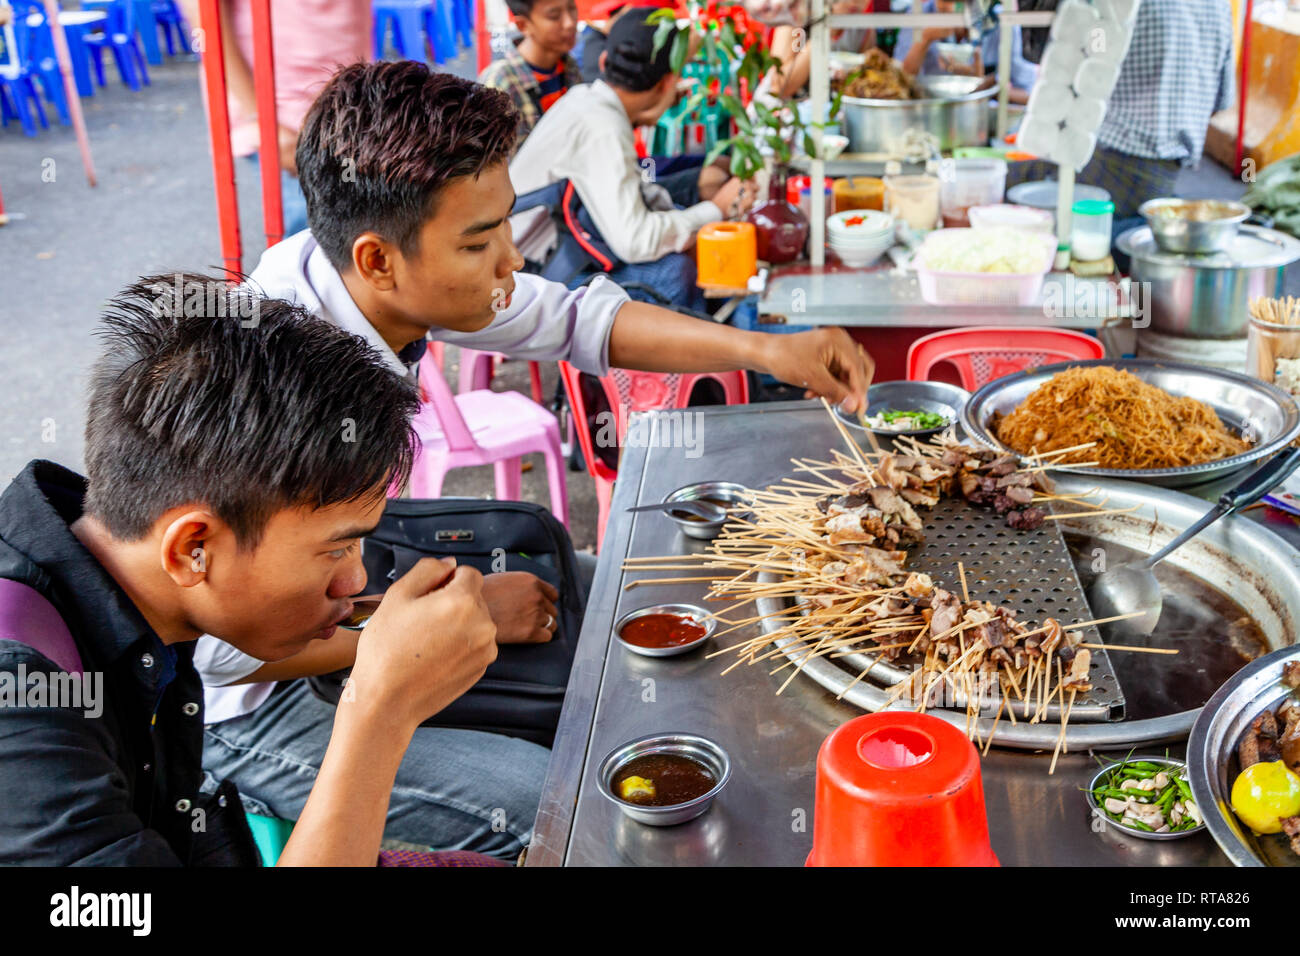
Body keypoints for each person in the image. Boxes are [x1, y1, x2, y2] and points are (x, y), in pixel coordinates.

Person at [194, 59, 874, 855]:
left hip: (349, 583)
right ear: (380, 260)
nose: (511, 262)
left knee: (645, 593)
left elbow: (580, 323)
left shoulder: (369, 266)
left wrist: (769, 349)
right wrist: (473, 611)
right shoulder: (282, 388)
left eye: (506, 226)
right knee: (575, 806)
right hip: (257, 702)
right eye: (481, 243)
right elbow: (225, 656)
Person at [0, 277, 510, 865]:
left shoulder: (136, 595)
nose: (355, 583)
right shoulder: (24, 715)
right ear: (192, 547)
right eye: (335, 550)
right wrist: (380, 709)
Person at [509, 8, 752, 311]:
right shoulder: (603, 128)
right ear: (667, 83)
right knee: (673, 274)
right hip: (529, 276)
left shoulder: (588, 98)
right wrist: (716, 209)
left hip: (562, 244)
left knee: (681, 224)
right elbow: (635, 240)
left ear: (603, 62)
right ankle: (692, 353)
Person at [1006, 0, 1233, 225]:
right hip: (1168, 168)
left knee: (1011, 191)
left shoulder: (1118, 5)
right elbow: (1221, 101)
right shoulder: (1220, 7)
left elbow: (1091, 59)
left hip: (1110, 156)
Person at [178, 0, 370, 236]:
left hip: (349, 112)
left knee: (353, 219)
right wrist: (261, 120)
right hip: (285, 119)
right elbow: (203, 16)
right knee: (318, 236)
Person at [477, 0, 583, 146]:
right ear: (523, 25)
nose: (569, 23)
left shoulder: (570, 66)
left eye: (572, 8)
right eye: (554, 16)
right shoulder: (499, 84)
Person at [893, 1, 1038, 104]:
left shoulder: (1000, 21)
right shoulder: (918, 14)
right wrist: (924, 40)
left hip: (978, 119)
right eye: (945, 2)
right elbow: (900, 82)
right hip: (927, 112)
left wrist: (983, 85)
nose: (951, 8)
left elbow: (1029, 94)